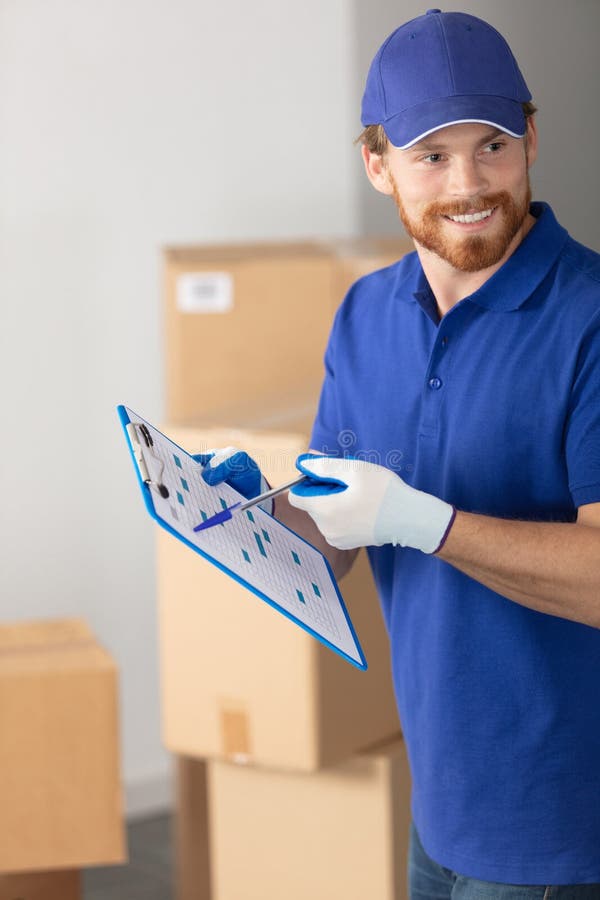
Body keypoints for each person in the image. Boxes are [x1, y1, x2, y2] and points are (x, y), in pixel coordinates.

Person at [200, 9, 600, 897]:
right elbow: (336, 540)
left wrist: (423, 522)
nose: (470, 182)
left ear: (532, 136)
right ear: (378, 165)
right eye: (430, 155)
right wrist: (251, 521)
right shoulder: (364, 316)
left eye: (492, 144)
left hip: (562, 822)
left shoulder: (592, 318)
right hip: (441, 803)